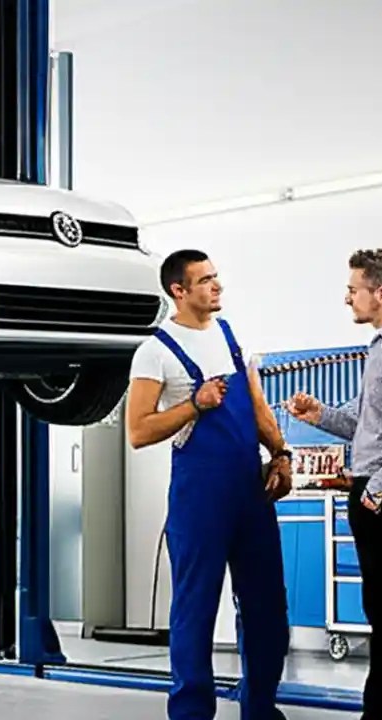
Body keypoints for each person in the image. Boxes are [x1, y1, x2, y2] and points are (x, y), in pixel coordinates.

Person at [126, 249, 293, 720]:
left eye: (216, 277)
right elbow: (138, 431)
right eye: (204, 280)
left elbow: (257, 405)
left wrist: (279, 452)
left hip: (250, 491)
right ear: (178, 291)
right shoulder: (154, 351)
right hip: (200, 497)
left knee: (267, 609)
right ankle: (191, 713)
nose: (216, 286)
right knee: (195, 611)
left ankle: (260, 708)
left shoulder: (227, 335)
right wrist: (195, 405)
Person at [288, 248, 382, 720]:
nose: (347, 298)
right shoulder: (381, 347)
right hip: (377, 494)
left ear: (380, 292)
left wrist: (380, 487)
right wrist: (319, 415)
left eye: (353, 289)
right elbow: (365, 423)